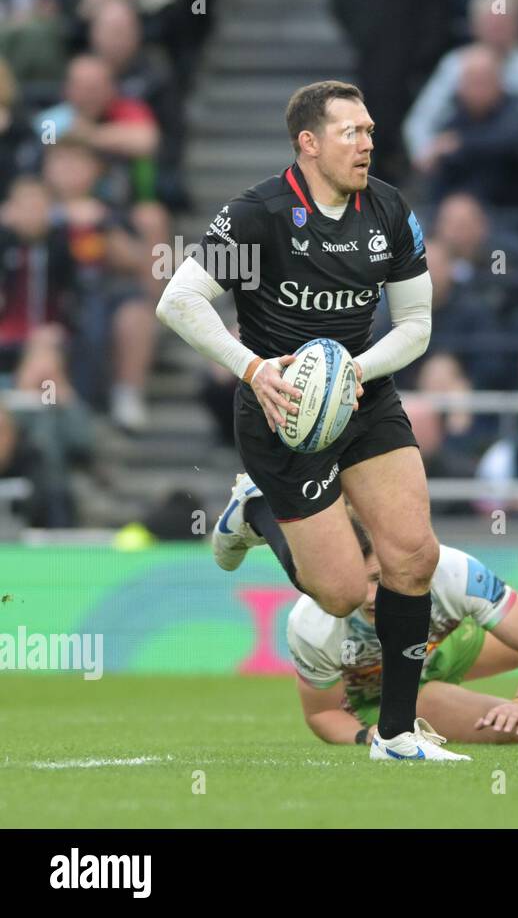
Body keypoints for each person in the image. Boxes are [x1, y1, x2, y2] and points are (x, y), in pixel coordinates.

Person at [155, 81, 452, 762]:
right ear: (309, 144)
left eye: (371, 129)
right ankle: (256, 509)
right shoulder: (258, 213)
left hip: (362, 393)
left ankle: (398, 737)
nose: (368, 142)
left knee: (415, 555)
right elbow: (179, 301)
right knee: (344, 592)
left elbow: (415, 325)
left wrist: (356, 373)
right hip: (281, 408)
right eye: (351, 132)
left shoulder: (387, 208)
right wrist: (255, 369)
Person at [287, 508, 518, 746]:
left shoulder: (454, 570)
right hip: (387, 695)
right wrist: (365, 735)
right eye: (361, 581)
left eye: (379, 578)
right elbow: (321, 714)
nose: (372, 597)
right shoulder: (311, 623)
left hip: (446, 650)